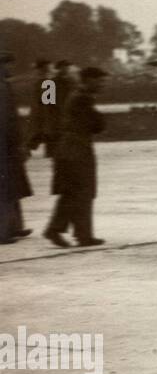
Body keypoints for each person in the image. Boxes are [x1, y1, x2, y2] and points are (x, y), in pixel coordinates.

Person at [44, 65, 107, 248]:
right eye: (100, 81)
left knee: (72, 193)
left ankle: (61, 230)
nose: (103, 85)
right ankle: (80, 235)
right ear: (88, 80)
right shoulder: (82, 98)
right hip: (76, 150)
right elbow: (97, 125)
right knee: (82, 192)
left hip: (71, 149)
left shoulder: (79, 96)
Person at [1, 52, 33, 243]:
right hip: (10, 143)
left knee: (12, 185)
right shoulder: (46, 83)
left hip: (13, 142)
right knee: (7, 185)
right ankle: (7, 228)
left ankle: (14, 226)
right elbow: (46, 106)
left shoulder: (49, 82)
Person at [26, 59, 52, 157]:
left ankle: (27, 148)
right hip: (44, 112)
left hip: (37, 111)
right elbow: (49, 101)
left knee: (36, 132)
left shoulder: (35, 81)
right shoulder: (48, 82)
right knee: (46, 132)